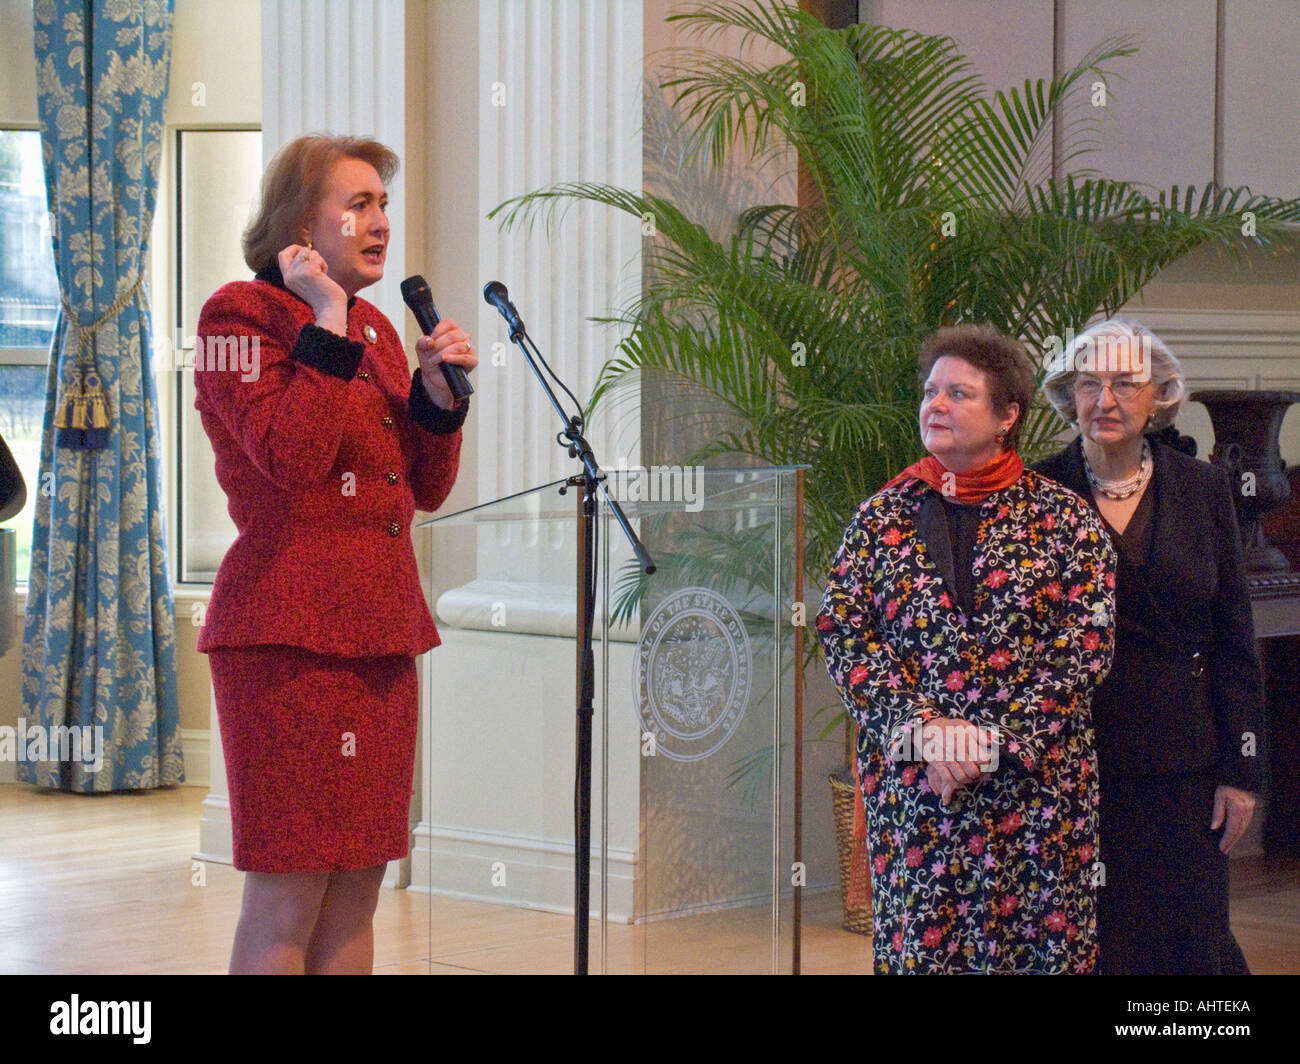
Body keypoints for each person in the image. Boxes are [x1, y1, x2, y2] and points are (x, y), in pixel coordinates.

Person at [194, 134, 476, 974]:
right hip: (286, 640)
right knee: (289, 891)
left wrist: (436, 401)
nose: (380, 221)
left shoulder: (377, 328)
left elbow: (423, 490)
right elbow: (291, 455)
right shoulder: (237, 318)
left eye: (383, 204)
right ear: (299, 225)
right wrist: (323, 321)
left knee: (358, 884)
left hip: (380, 638)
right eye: (357, 204)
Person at [817, 324, 1116, 974]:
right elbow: (844, 633)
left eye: (959, 393)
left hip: (1033, 796)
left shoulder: (1064, 520)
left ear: (1007, 415)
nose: (937, 404)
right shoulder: (881, 518)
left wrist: (985, 743)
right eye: (931, 391)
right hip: (918, 794)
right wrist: (926, 732)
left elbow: (1083, 650)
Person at [1035, 316, 1262, 974]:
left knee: (1190, 935)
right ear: (1069, 395)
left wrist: (1241, 772)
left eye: (1125, 383)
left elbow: (1233, 637)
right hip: (1071, 758)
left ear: (1159, 395)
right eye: (1089, 383)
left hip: (1182, 758)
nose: (1105, 400)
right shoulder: (1038, 493)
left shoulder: (1203, 487)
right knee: (1093, 936)